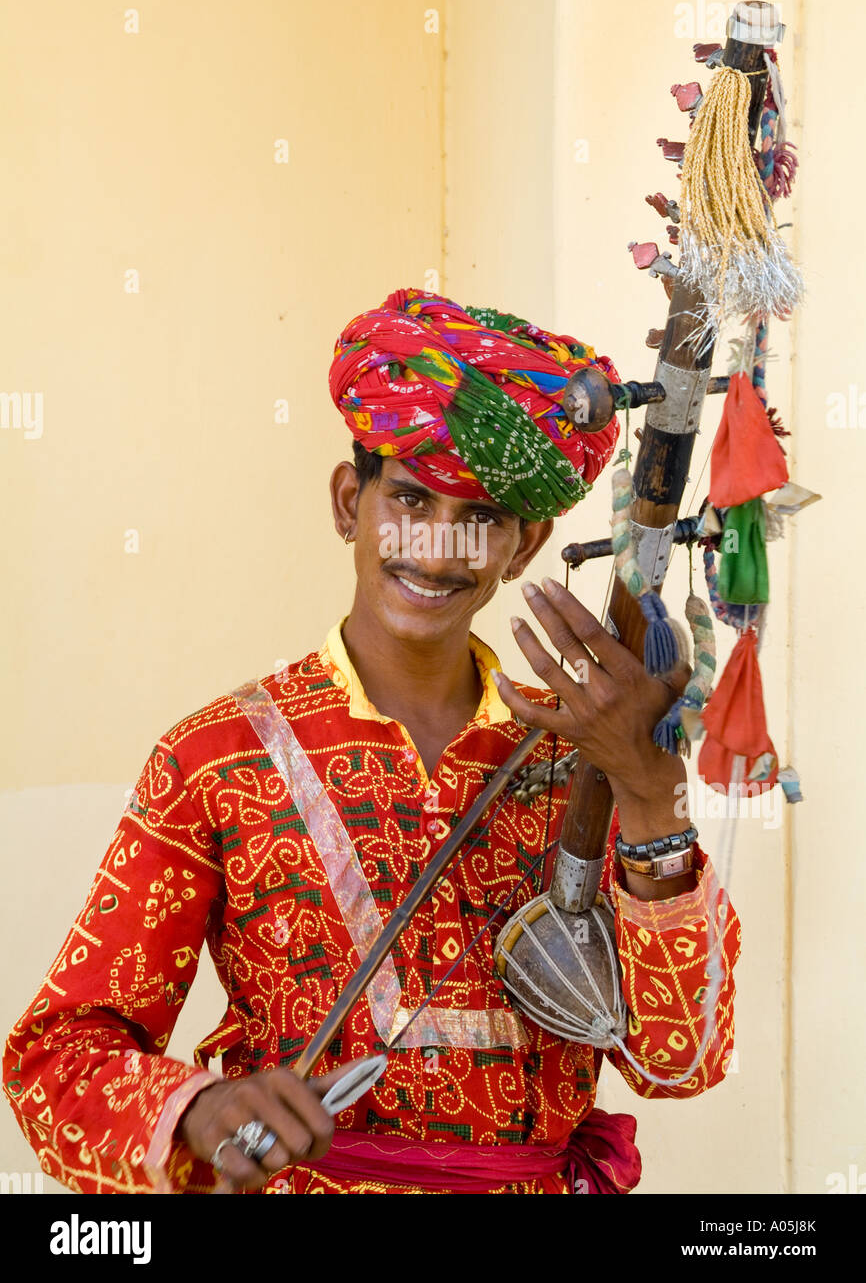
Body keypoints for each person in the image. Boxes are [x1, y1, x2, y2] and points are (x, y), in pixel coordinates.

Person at [3, 288, 740, 1195]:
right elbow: (61, 1058)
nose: (435, 549)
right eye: (409, 498)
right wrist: (195, 1108)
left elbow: (683, 1062)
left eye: (482, 517)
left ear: (524, 545)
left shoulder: (584, 751)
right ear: (350, 500)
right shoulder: (213, 757)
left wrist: (646, 788)